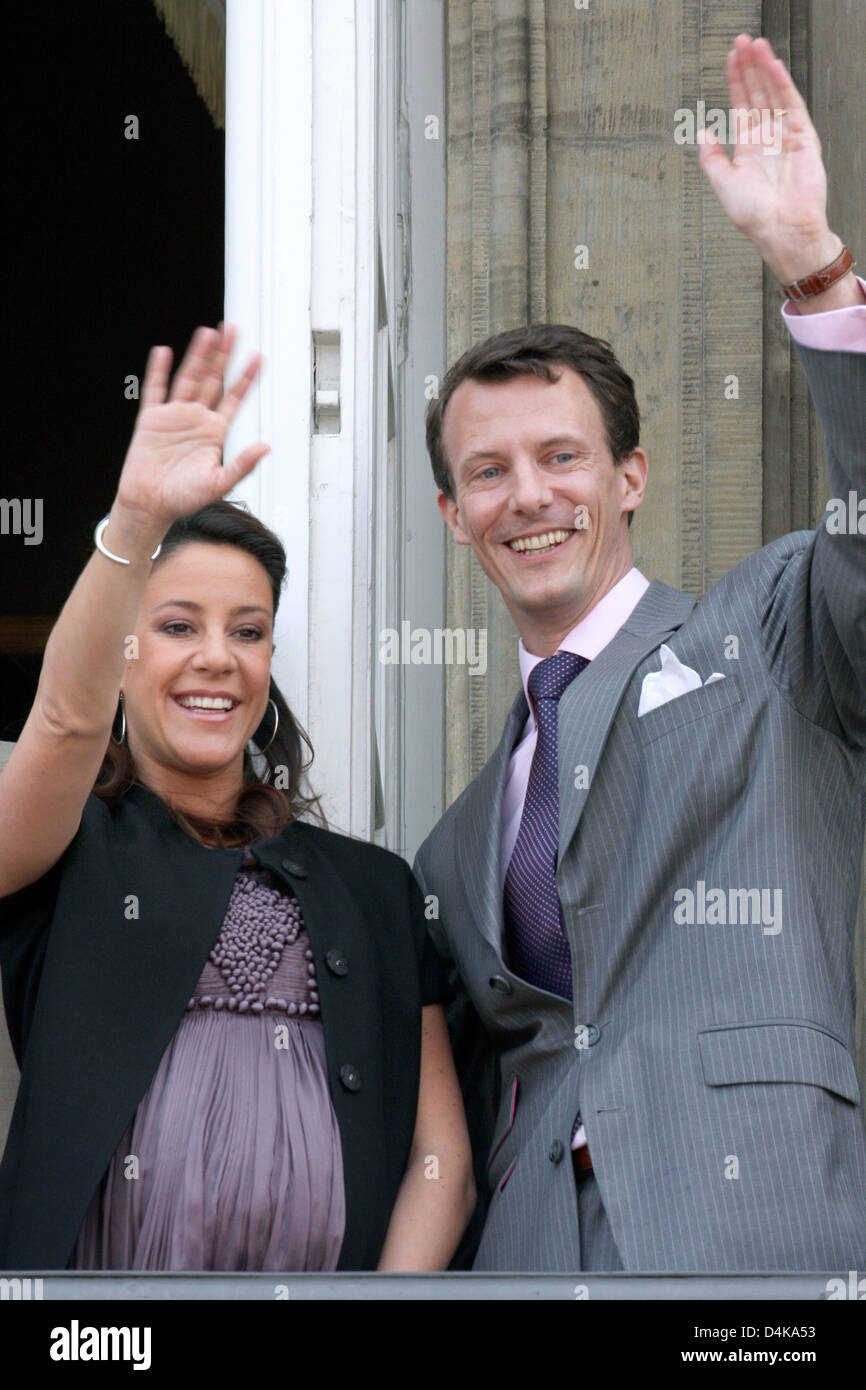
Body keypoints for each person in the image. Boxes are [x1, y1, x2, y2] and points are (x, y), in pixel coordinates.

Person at [413, 33, 866, 1271]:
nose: (529, 495)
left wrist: (813, 275)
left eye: (561, 457)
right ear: (454, 516)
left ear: (629, 476)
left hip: (756, 1228)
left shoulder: (771, 634)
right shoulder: (456, 841)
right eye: (487, 472)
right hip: (528, 1260)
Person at [0, 324, 475, 1272]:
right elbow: (60, 722)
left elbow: (441, 1161)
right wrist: (132, 526)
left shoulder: (377, 888)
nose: (217, 656)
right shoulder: (62, 847)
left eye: (248, 631)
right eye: (177, 625)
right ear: (123, 654)